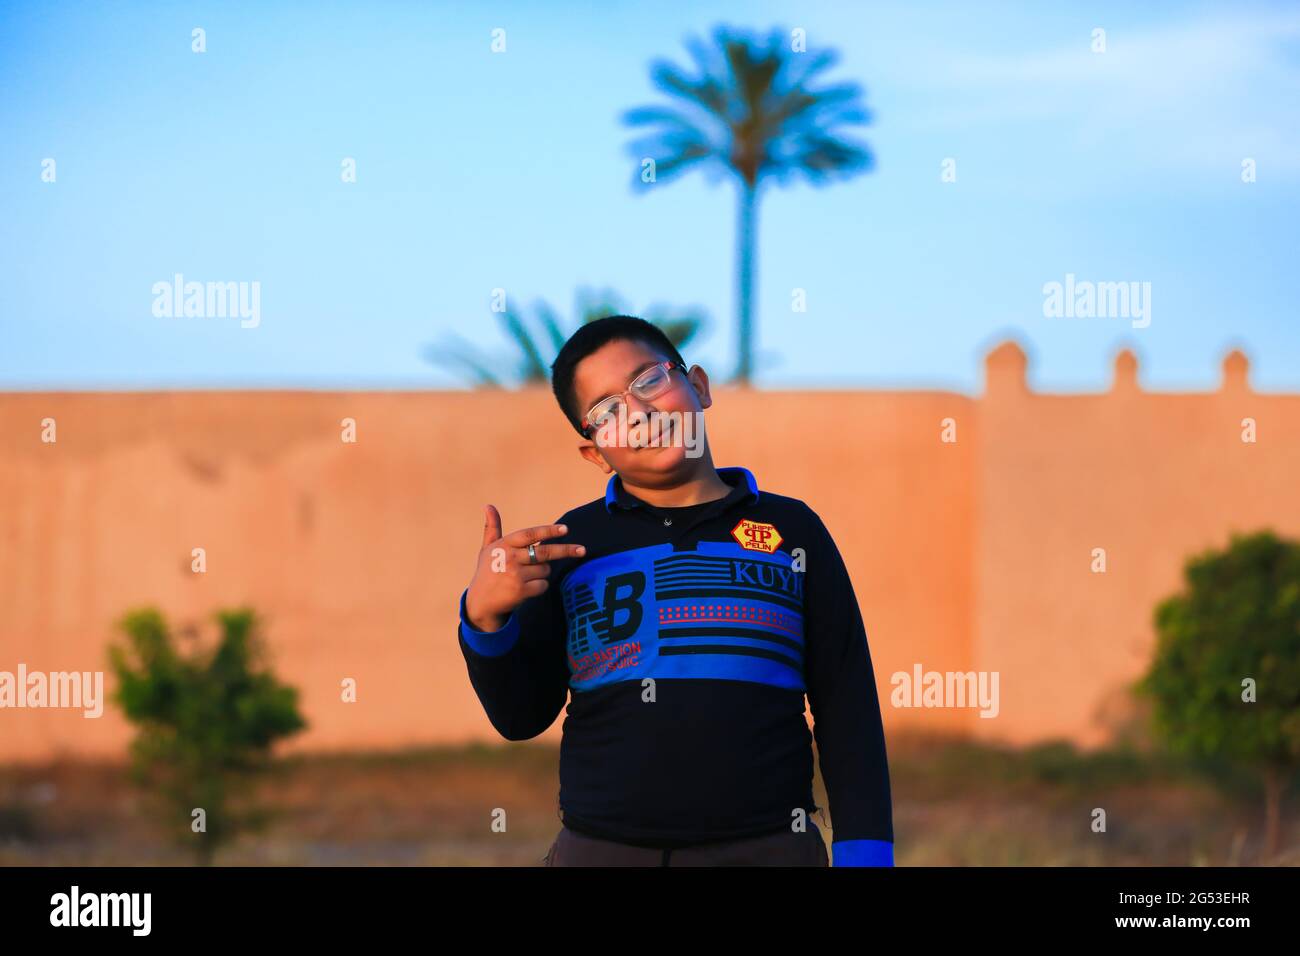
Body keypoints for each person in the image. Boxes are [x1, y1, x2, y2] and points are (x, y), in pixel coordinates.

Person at [457, 315, 894, 866]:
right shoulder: (572, 547)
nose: (638, 413)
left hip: (768, 850)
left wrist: (867, 851)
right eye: (606, 412)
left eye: (648, 381)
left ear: (701, 387)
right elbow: (520, 718)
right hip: (601, 852)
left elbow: (847, 704)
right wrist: (485, 618)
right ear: (595, 453)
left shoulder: (793, 532)